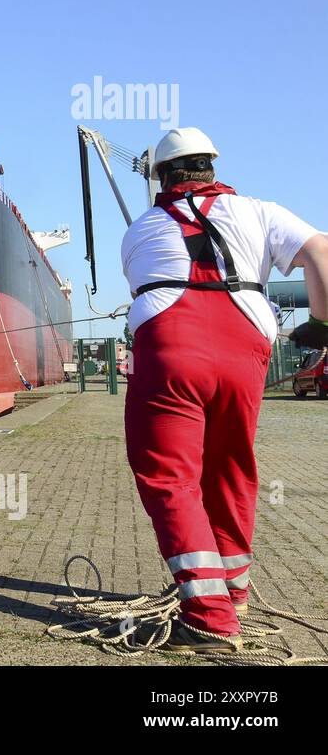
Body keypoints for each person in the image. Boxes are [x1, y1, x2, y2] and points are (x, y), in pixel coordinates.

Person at [121, 126, 328, 653]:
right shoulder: (262, 211)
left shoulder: (141, 228)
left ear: (161, 176)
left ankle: (207, 617)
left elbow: (149, 285)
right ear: (211, 167)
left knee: (171, 478)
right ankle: (232, 594)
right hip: (246, 343)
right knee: (231, 467)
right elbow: (321, 251)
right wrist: (324, 328)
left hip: (170, 345)